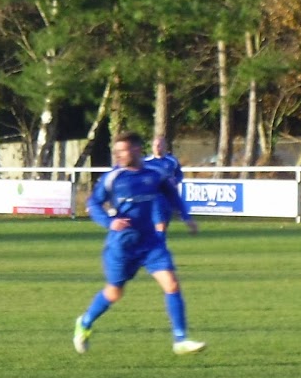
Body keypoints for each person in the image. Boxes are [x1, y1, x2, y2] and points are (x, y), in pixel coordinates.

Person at [74, 130, 205, 355]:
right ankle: (84, 322)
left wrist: (186, 217)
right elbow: (93, 204)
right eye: (116, 151)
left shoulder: (155, 174)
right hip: (122, 246)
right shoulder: (113, 178)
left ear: (136, 149)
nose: (118, 155)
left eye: (123, 151)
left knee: (172, 284)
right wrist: (110, 222)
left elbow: (172, 194)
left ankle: (180, 340)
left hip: (151, 242)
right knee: (114, 293)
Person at [144, 134, 185, 234]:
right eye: (155, 145)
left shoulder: (172, 161)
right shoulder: (145, 162)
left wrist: (175, 181)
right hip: (154, 198)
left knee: (164, 225)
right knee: (160, 225)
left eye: (159, 145)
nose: (157, 148)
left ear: (164, 146)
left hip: (167, 198)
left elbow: (179, 175)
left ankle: (156, 241)